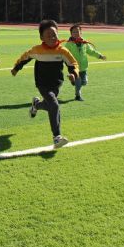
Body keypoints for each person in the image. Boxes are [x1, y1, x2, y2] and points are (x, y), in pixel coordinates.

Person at [11, 19, 79, 149]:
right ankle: (57, 137)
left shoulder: (62, 51)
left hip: (56, 84)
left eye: (54, 34)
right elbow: (24, 58)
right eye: (48, 35)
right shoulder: (37, 50)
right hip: (42, 84)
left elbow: (73, 64)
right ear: (42, 37)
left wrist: (73, 74)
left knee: (49, 107)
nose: (52, 37)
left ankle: (36, 104)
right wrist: (16, 68)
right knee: (54, 104)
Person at [64, 24, 106, 101]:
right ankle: (78, 95)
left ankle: (73, 80)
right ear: (71, 34)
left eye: (77, 32)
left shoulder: (84, 42)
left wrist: (100, 56)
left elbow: (91, 51)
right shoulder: (69, 44)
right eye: (74, 32)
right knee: (78, 81)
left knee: (84, 82)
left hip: (83, 67)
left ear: (81, 32)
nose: (76, 33)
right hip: (74, 67)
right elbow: (64, 53)